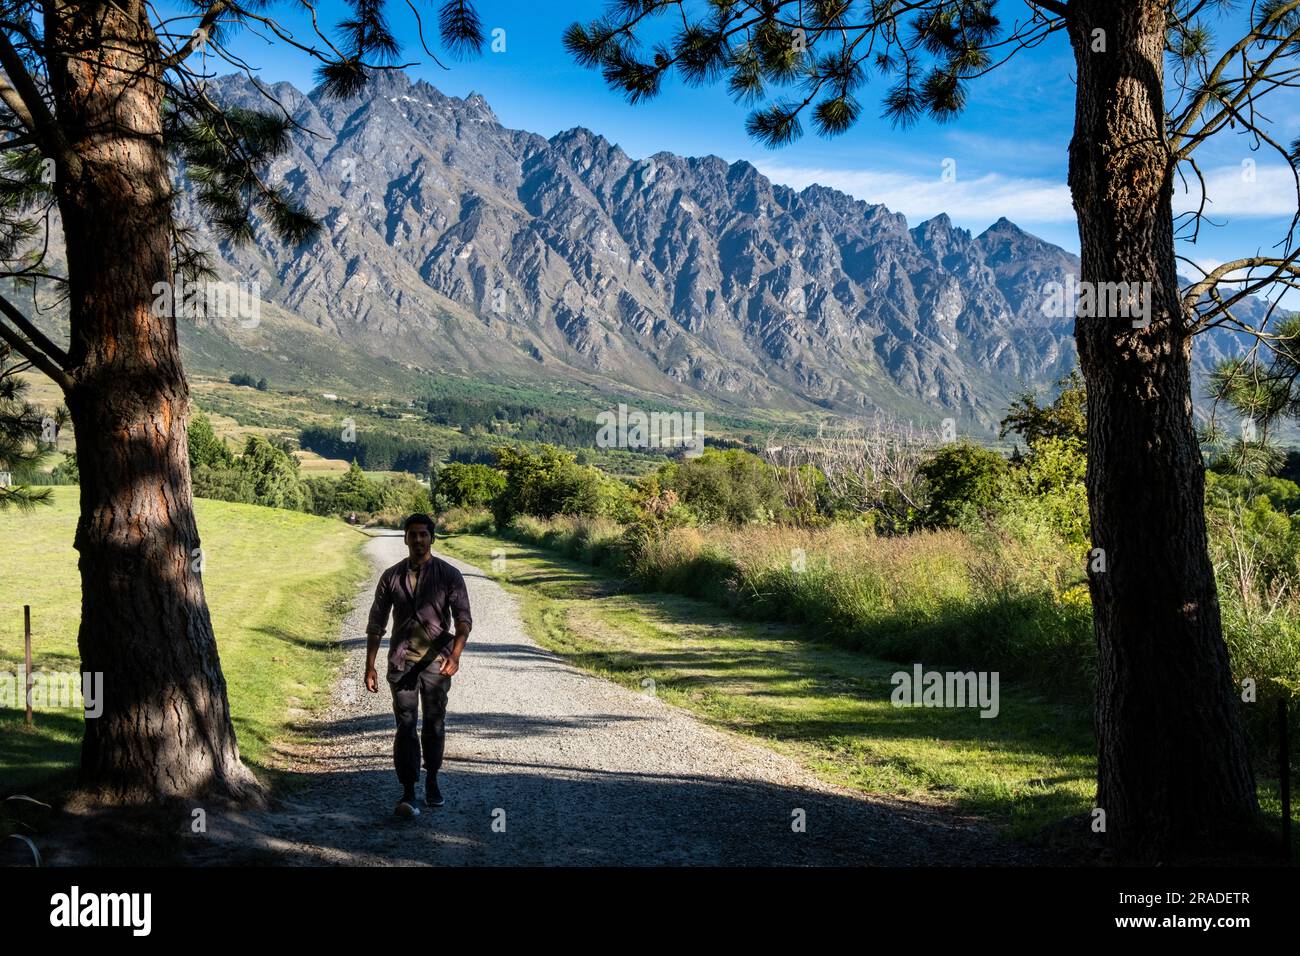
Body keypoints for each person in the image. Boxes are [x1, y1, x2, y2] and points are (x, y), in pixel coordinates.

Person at [364, 513, 472, 817]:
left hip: (438, 663)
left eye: (424, 534)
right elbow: (376, 624)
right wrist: (370, 665)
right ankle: (409, 790)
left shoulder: (449, 575)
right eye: (413, 534)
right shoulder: (391, 577)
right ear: (406, 538)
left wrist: (456, 655)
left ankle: (433, 780)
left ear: (432, 538)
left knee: (434, 724)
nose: (418, 539)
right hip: (402, 662)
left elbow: (464, 620)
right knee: (406, 726)